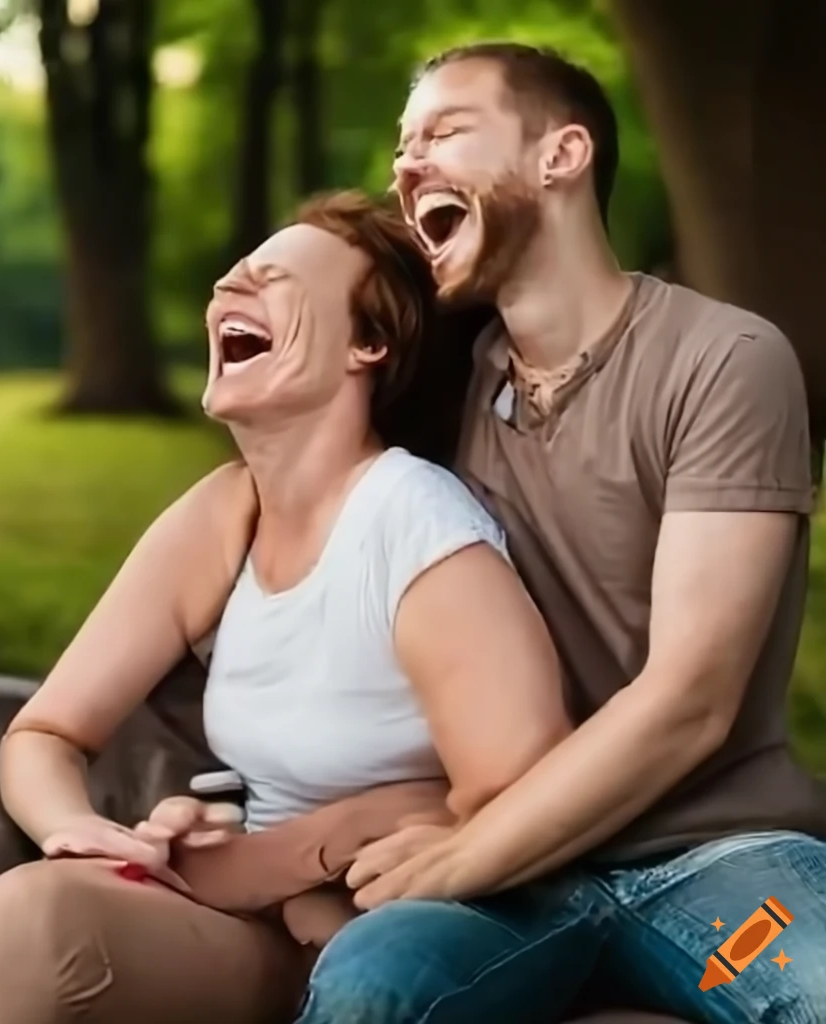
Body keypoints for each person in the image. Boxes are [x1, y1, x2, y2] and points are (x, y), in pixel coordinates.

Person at [0, 191, 568, 1024]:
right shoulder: (227, 511)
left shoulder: (412, 520)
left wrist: (279, 859)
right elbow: (45, 734)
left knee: (37, 926)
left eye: (272, 279)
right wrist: (84, 831)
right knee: (34, 912)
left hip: (377, 948)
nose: (227, 288)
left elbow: (530, 795)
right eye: (233, 276)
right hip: (253, 919)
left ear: (369, 344)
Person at [288, 43, 826, 1024]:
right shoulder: (440, 385)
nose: (406, 167)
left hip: (722, 870)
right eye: (401, 148)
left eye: (445, 131)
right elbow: (280, 528)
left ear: (561, 154)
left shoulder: (725, 360)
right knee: (373, 989)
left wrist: (459, 857)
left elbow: (688, 702)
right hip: (512, 895)